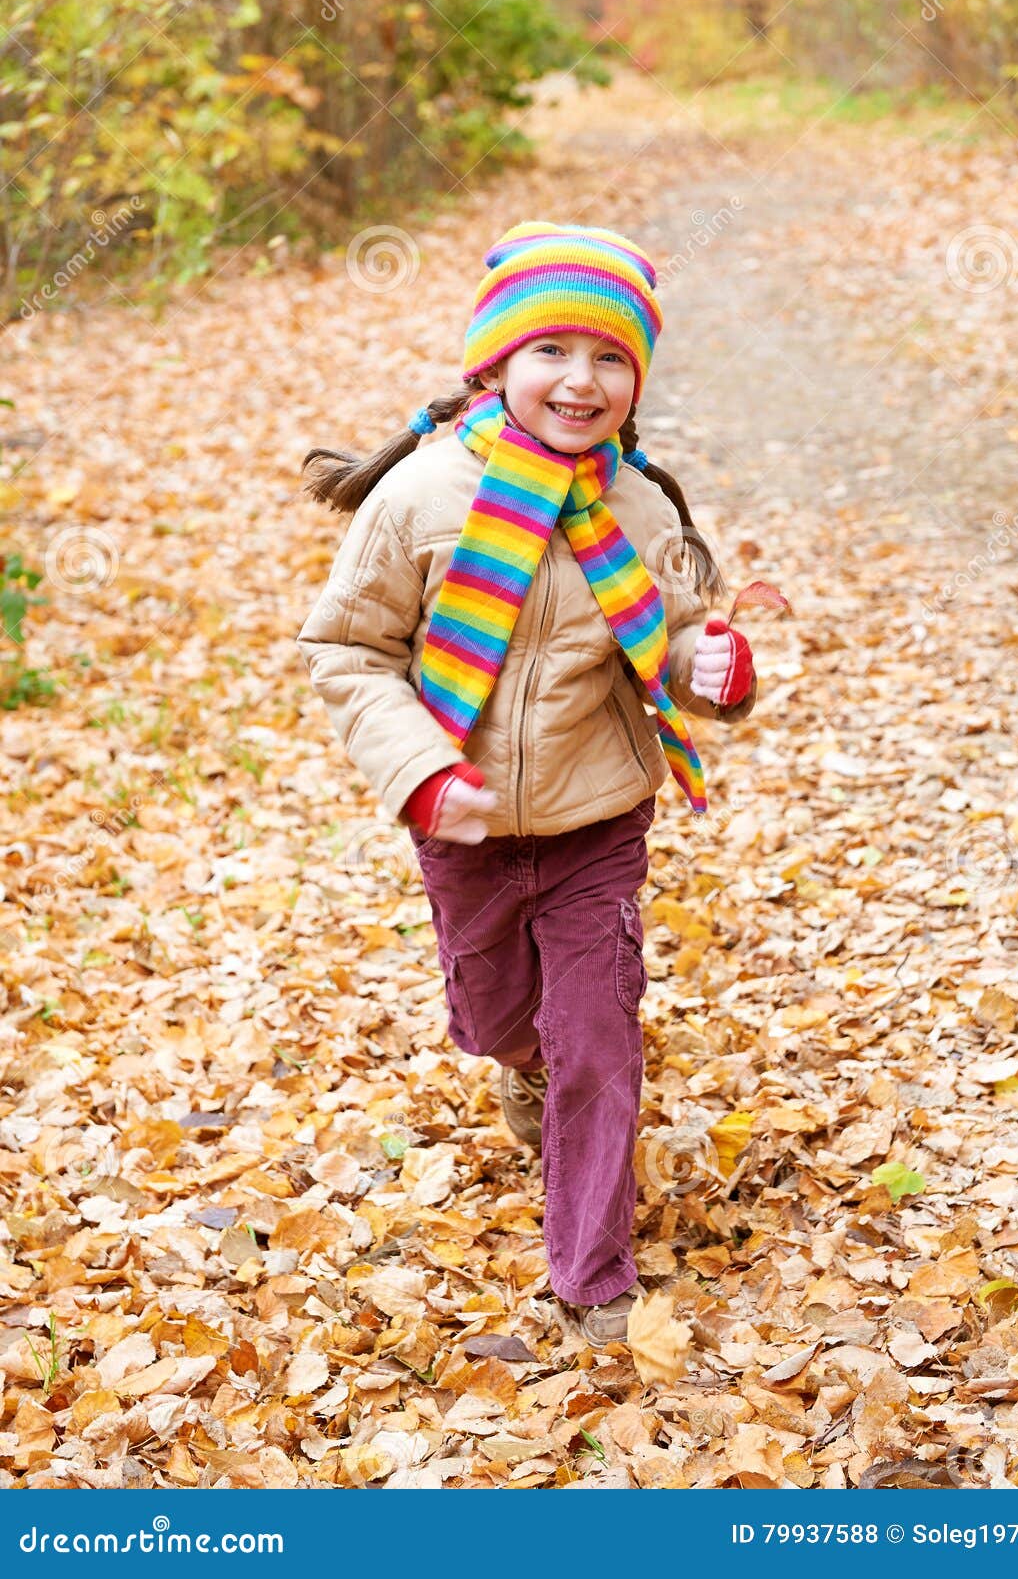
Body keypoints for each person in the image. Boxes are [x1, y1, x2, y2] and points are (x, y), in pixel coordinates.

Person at [296, 221, 757, 1346]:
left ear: (634, 382)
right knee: (501, 1014)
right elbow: (346, 653)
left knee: (598, 1036)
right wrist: (420, 772)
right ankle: (519, 1060)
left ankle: (594, 1271)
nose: (580, 381)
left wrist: (717, 673)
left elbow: (688, 645)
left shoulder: (646, 511)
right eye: (552, 352)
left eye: (610, 359)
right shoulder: (419, 498)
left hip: (598, 817)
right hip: (463, 818)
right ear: (493, 364)